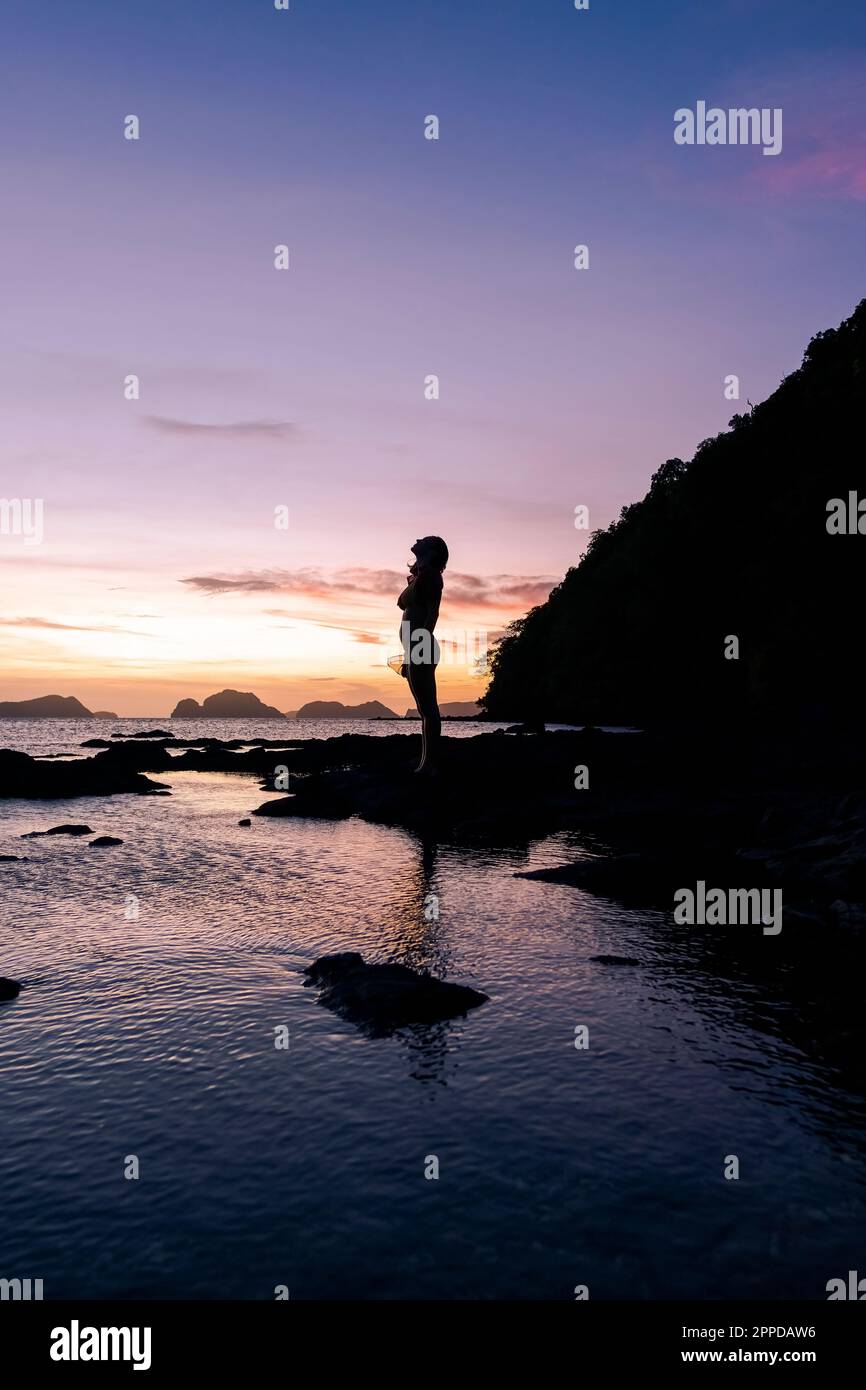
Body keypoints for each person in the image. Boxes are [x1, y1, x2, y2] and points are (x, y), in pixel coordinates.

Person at [397, 536, 448, 774]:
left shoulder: (432, 576)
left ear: (432, 551)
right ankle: (426, 762)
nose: (417, 539)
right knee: (424, 710)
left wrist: (418, 646)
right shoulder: (421, 576)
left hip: (421, 646)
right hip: (415, 647)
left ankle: (430, 764)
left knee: (428, 710)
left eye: (424, 540)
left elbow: (433, 614)